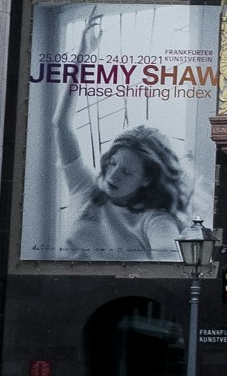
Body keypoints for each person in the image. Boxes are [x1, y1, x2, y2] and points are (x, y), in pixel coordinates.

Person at [47, 20, 193, 261]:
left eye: (127, 172)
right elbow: (60, 124)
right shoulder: (84, 187)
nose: (114, 175)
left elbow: (169, 266)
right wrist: (83, 56)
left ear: (147, 179)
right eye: (113, 163)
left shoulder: (155, 220)